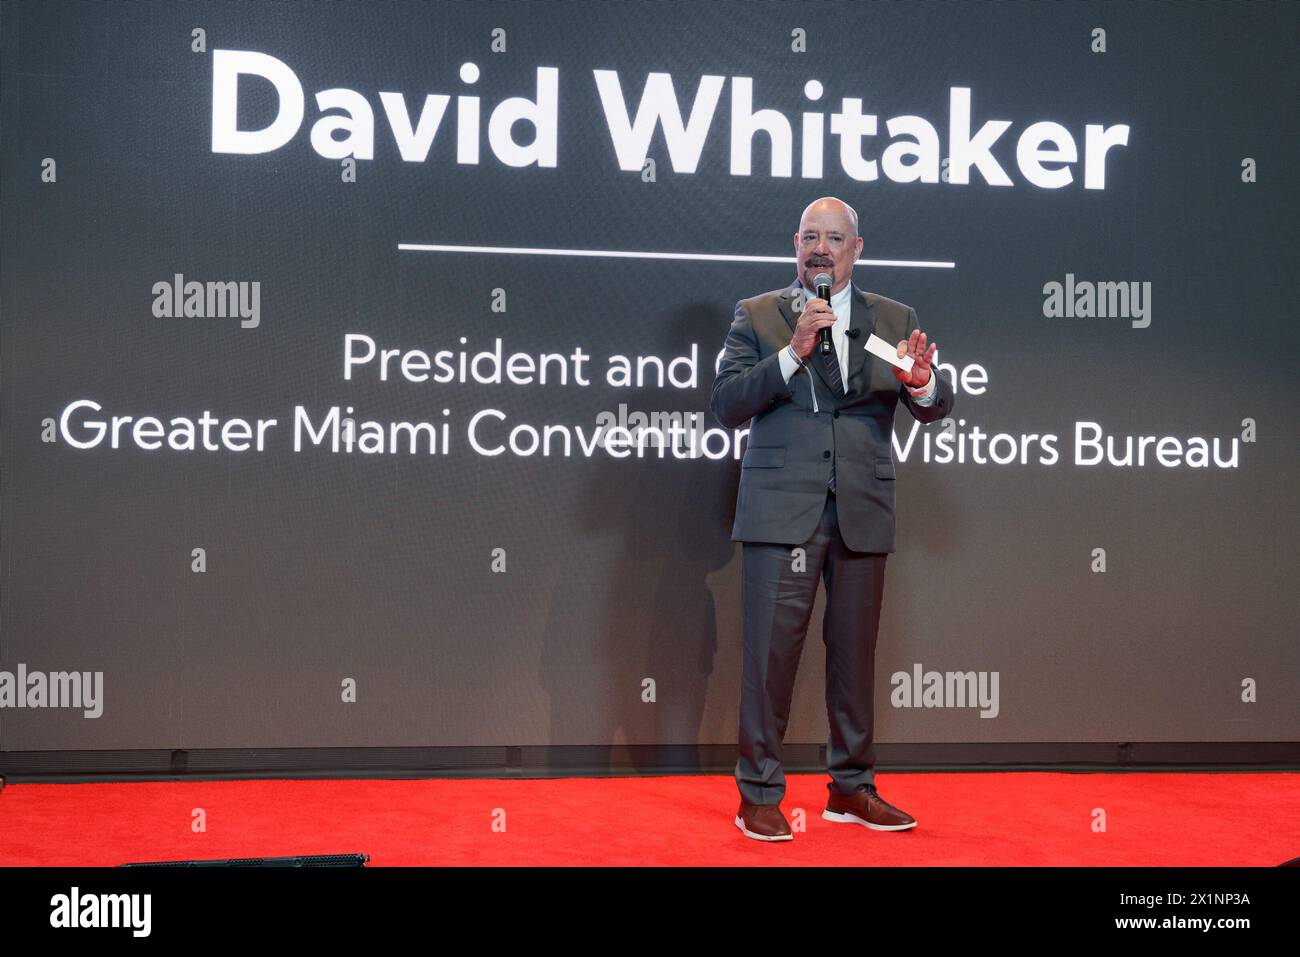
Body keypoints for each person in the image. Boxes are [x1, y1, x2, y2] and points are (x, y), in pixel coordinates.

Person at [709, 197, 954, 841]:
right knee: (769, 659)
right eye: (811, 236)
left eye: (835, 238)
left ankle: (851, 789)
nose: (822, 247)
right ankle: (758, 794)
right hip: (780, 513)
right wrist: (792, 352)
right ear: (795, 244)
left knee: (854, 658)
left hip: (860, 513)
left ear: (857, 248)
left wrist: (923, 382)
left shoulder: (889, 320)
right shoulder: (761, 315)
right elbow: (726, 404)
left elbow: (932, 403)